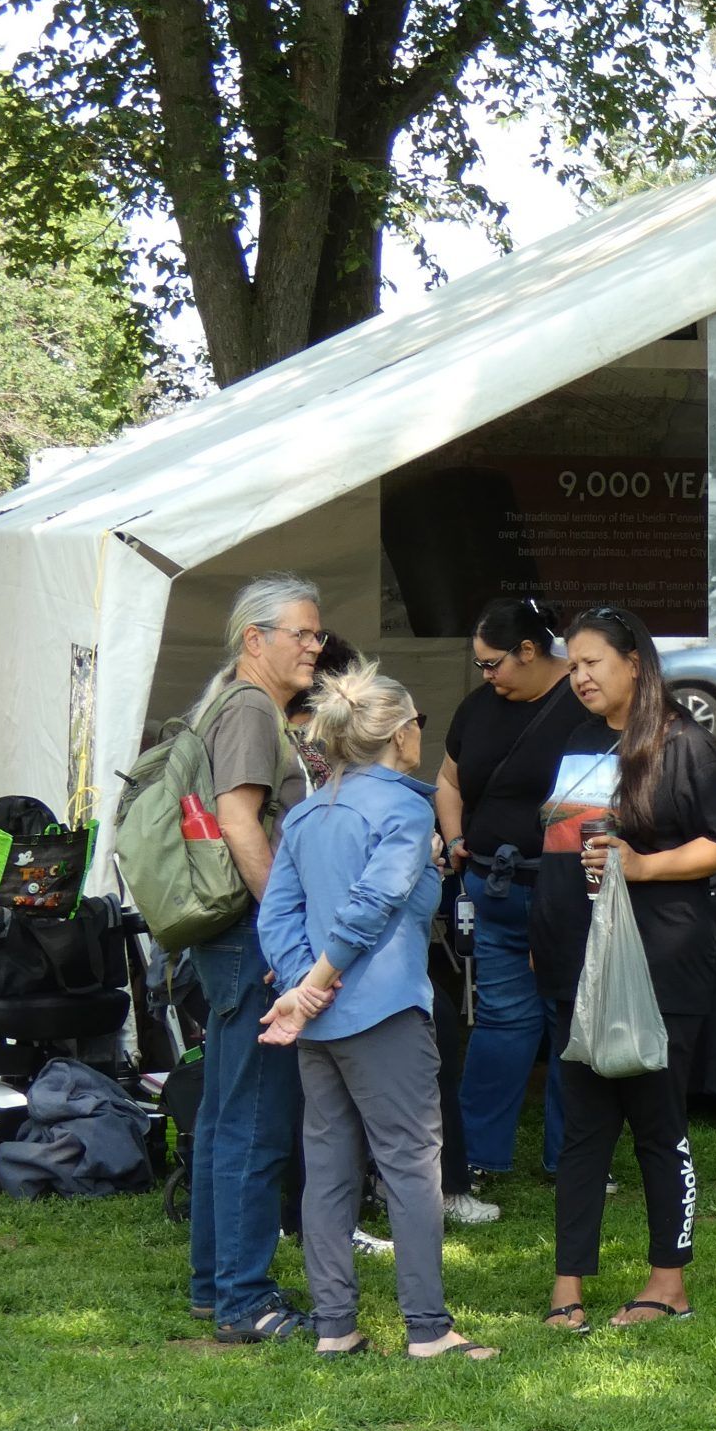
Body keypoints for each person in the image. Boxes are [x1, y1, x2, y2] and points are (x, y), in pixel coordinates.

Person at [256, 665, 497, 1360]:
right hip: (379, 1010)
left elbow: (278, 915)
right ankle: (428, 1329)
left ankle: (336, 1327)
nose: (424, 731)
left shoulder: (304, 814)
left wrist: (304, 987)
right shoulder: (403, 807)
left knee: (327, 1168)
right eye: (419, 720)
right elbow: (372, 906)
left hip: (319, 1021)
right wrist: (317, 985)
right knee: (411, 1166)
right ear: (399, 733)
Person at [535, 606, 716, 1331]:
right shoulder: (577, 738)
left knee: (658, 1121)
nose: (580, 675)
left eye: (592, 662)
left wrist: (646, 866)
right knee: (583, 1128)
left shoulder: (683, 744)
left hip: (661, 960)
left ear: (635, 663)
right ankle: (567, 1287)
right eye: (573, 664)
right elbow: (567, 848)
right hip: (584, 962)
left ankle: (669, 1283)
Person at [185, 573, 321, 1343]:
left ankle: (216, 1285)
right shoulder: (246, 708)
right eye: (301, 633)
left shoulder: (238, 704)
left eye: (315, 632)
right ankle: (245, 1301)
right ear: (254, 639)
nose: (314, 645)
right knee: (257, 1120)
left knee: (225, 1113)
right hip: (250, 936)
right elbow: (240, 822)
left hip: (233, 934)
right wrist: (285, 934)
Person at [439, 596, 586, 1203]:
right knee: (503, 1021)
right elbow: (449, 780)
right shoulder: (479, 707)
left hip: (562, 891)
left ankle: (572, 1158)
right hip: (492, 893)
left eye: (492, 663)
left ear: (530, 651)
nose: (486, 676)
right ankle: (476, 1158)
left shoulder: (583, 704)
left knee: (571, 1024)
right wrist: (453, 838)